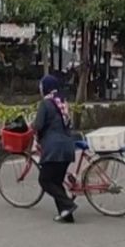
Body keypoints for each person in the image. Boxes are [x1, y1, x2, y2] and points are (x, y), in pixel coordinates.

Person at [33, 73, 79, 223]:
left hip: (54, 149)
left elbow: (38, 125)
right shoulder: (62, 102)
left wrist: (31, 127)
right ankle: (67, 213)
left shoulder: (46, 104)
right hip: (67, 148)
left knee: (45, 180)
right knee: (57, 181)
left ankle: (68, 204)